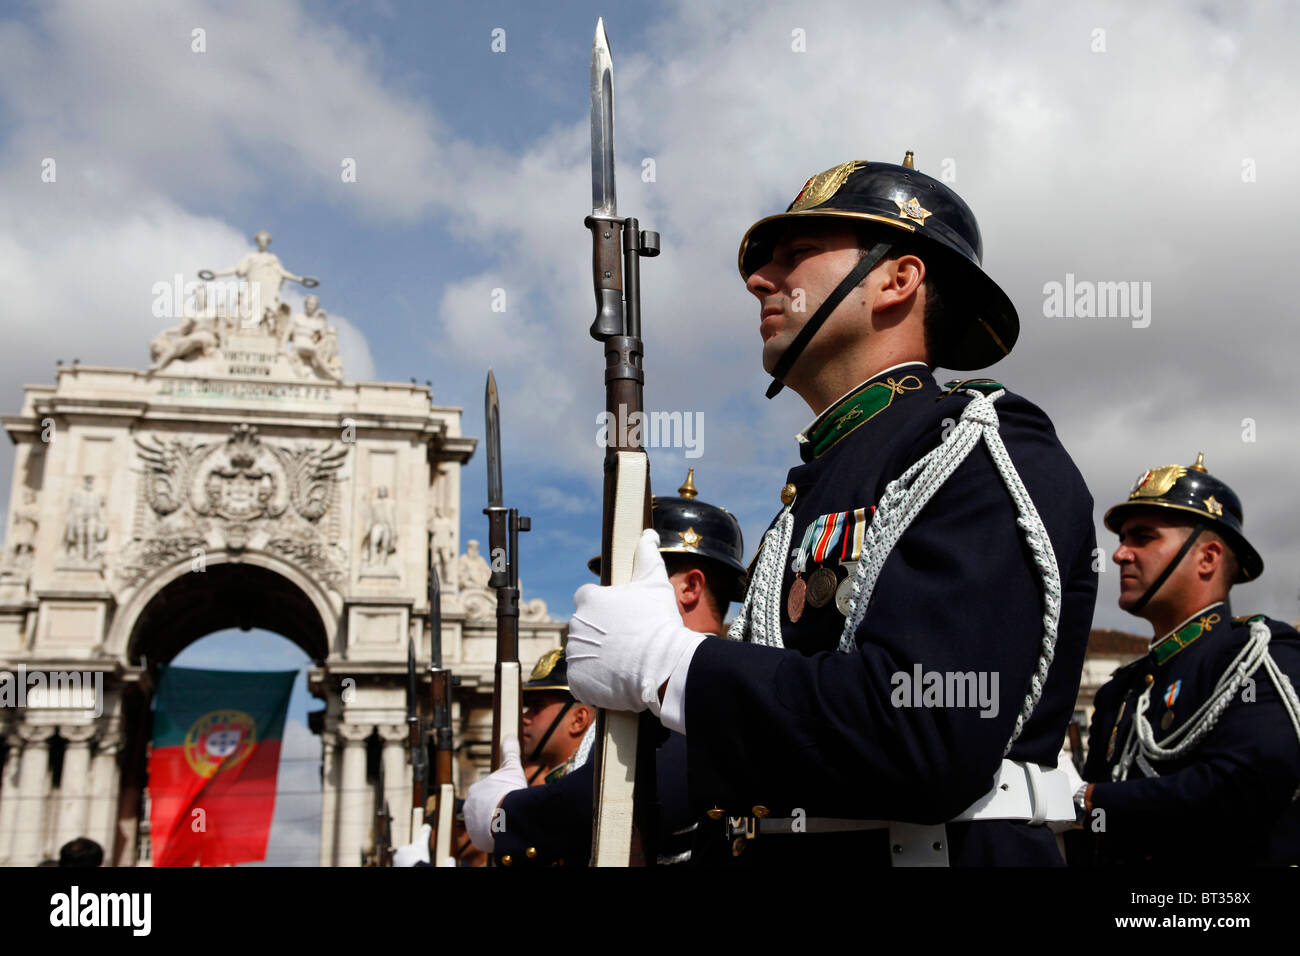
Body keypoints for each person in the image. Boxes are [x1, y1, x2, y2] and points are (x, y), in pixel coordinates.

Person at [567, 155, 1099, 866]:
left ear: (896, 279)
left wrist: (673, 666)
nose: (760, 280)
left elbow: (925, 728)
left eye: (798, 255)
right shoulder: (810, 493)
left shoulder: (978, 447)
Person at [464, 471, 746, 866]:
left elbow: (608, 801)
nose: (611, 594)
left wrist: (504, 812)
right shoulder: (645, 693)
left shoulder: (708, 685)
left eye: (629, 576)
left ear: (690, 587)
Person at [1078, 454, 1300, 864]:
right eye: (1122, 539)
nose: (1120, 554)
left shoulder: (1259, 654)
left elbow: (1246, 783)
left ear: (1208, 558)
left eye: (1142, 538)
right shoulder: (1122, 691)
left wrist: (1092, 798)